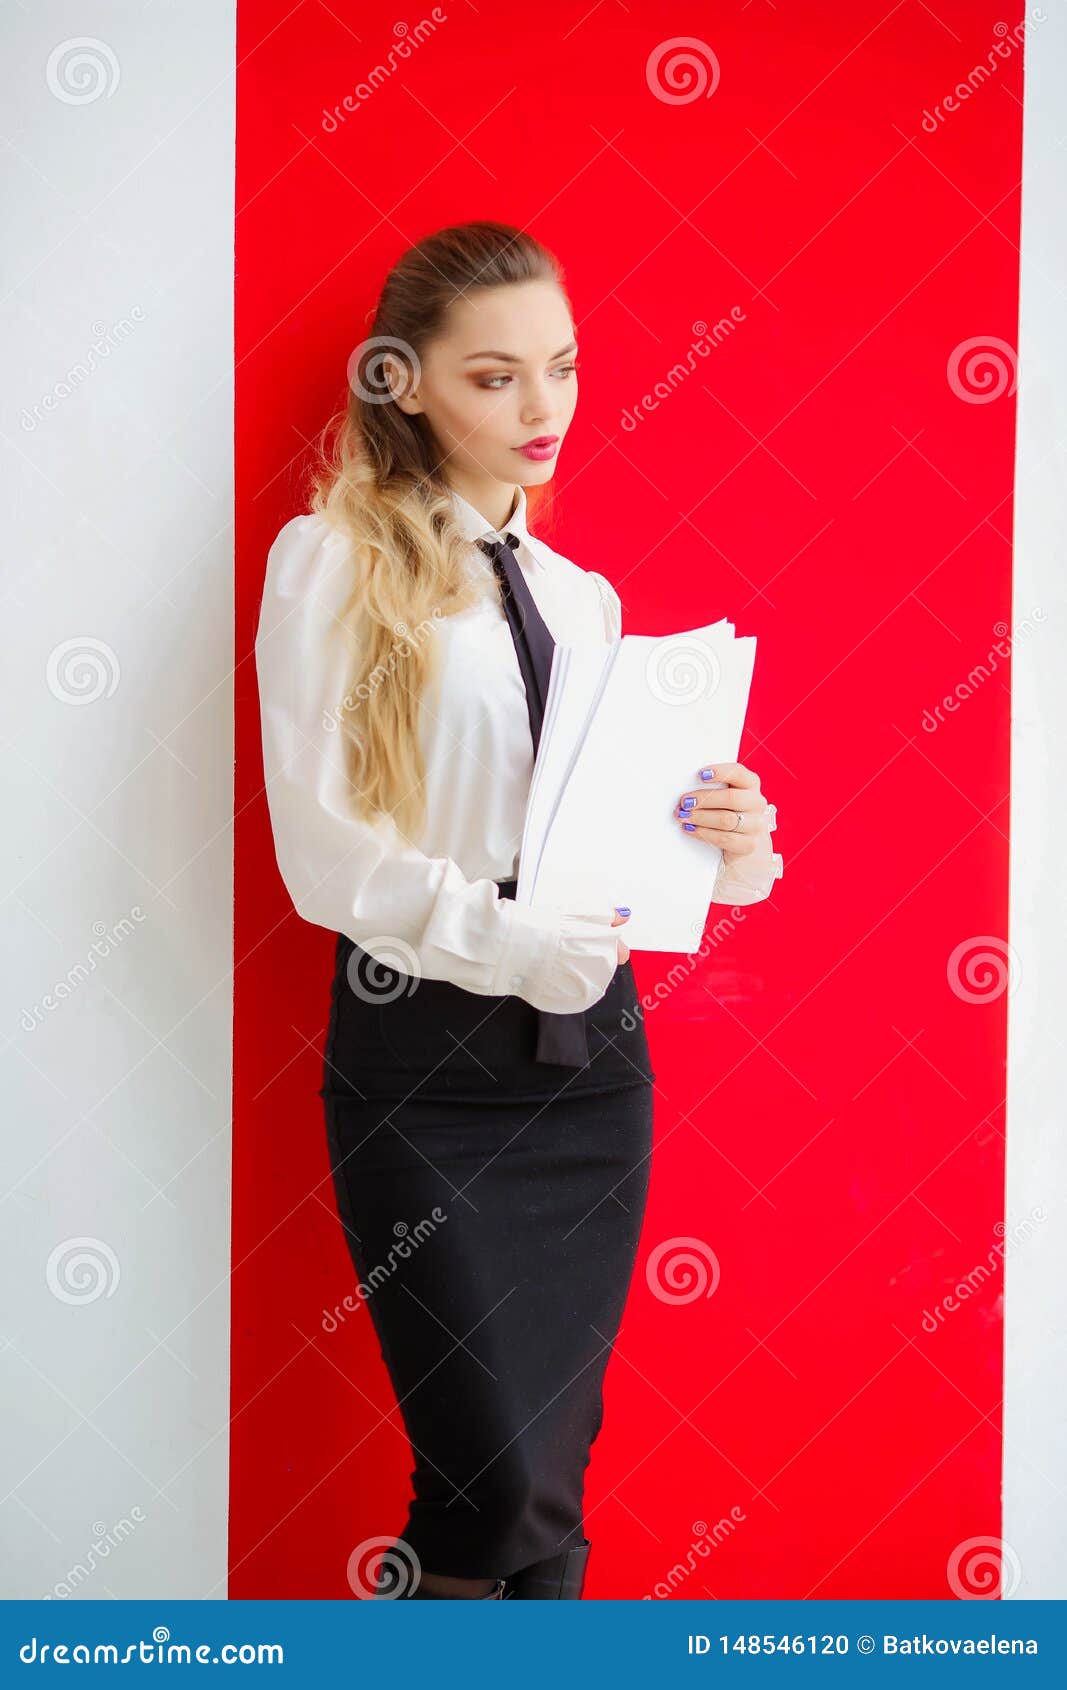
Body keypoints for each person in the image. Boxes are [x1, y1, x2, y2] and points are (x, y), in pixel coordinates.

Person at [254, 220, 783, 1600]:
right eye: (496, 376)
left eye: (561, 366)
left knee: (540, 1474)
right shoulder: (330, 562)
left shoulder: (586, 601)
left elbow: (613, 855)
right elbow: (324, 855)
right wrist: (512, 943)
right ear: (407, 381)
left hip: (588, 1071)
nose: (543, 407)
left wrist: (721, 843)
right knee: (491, 1470)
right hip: (422, 1063)